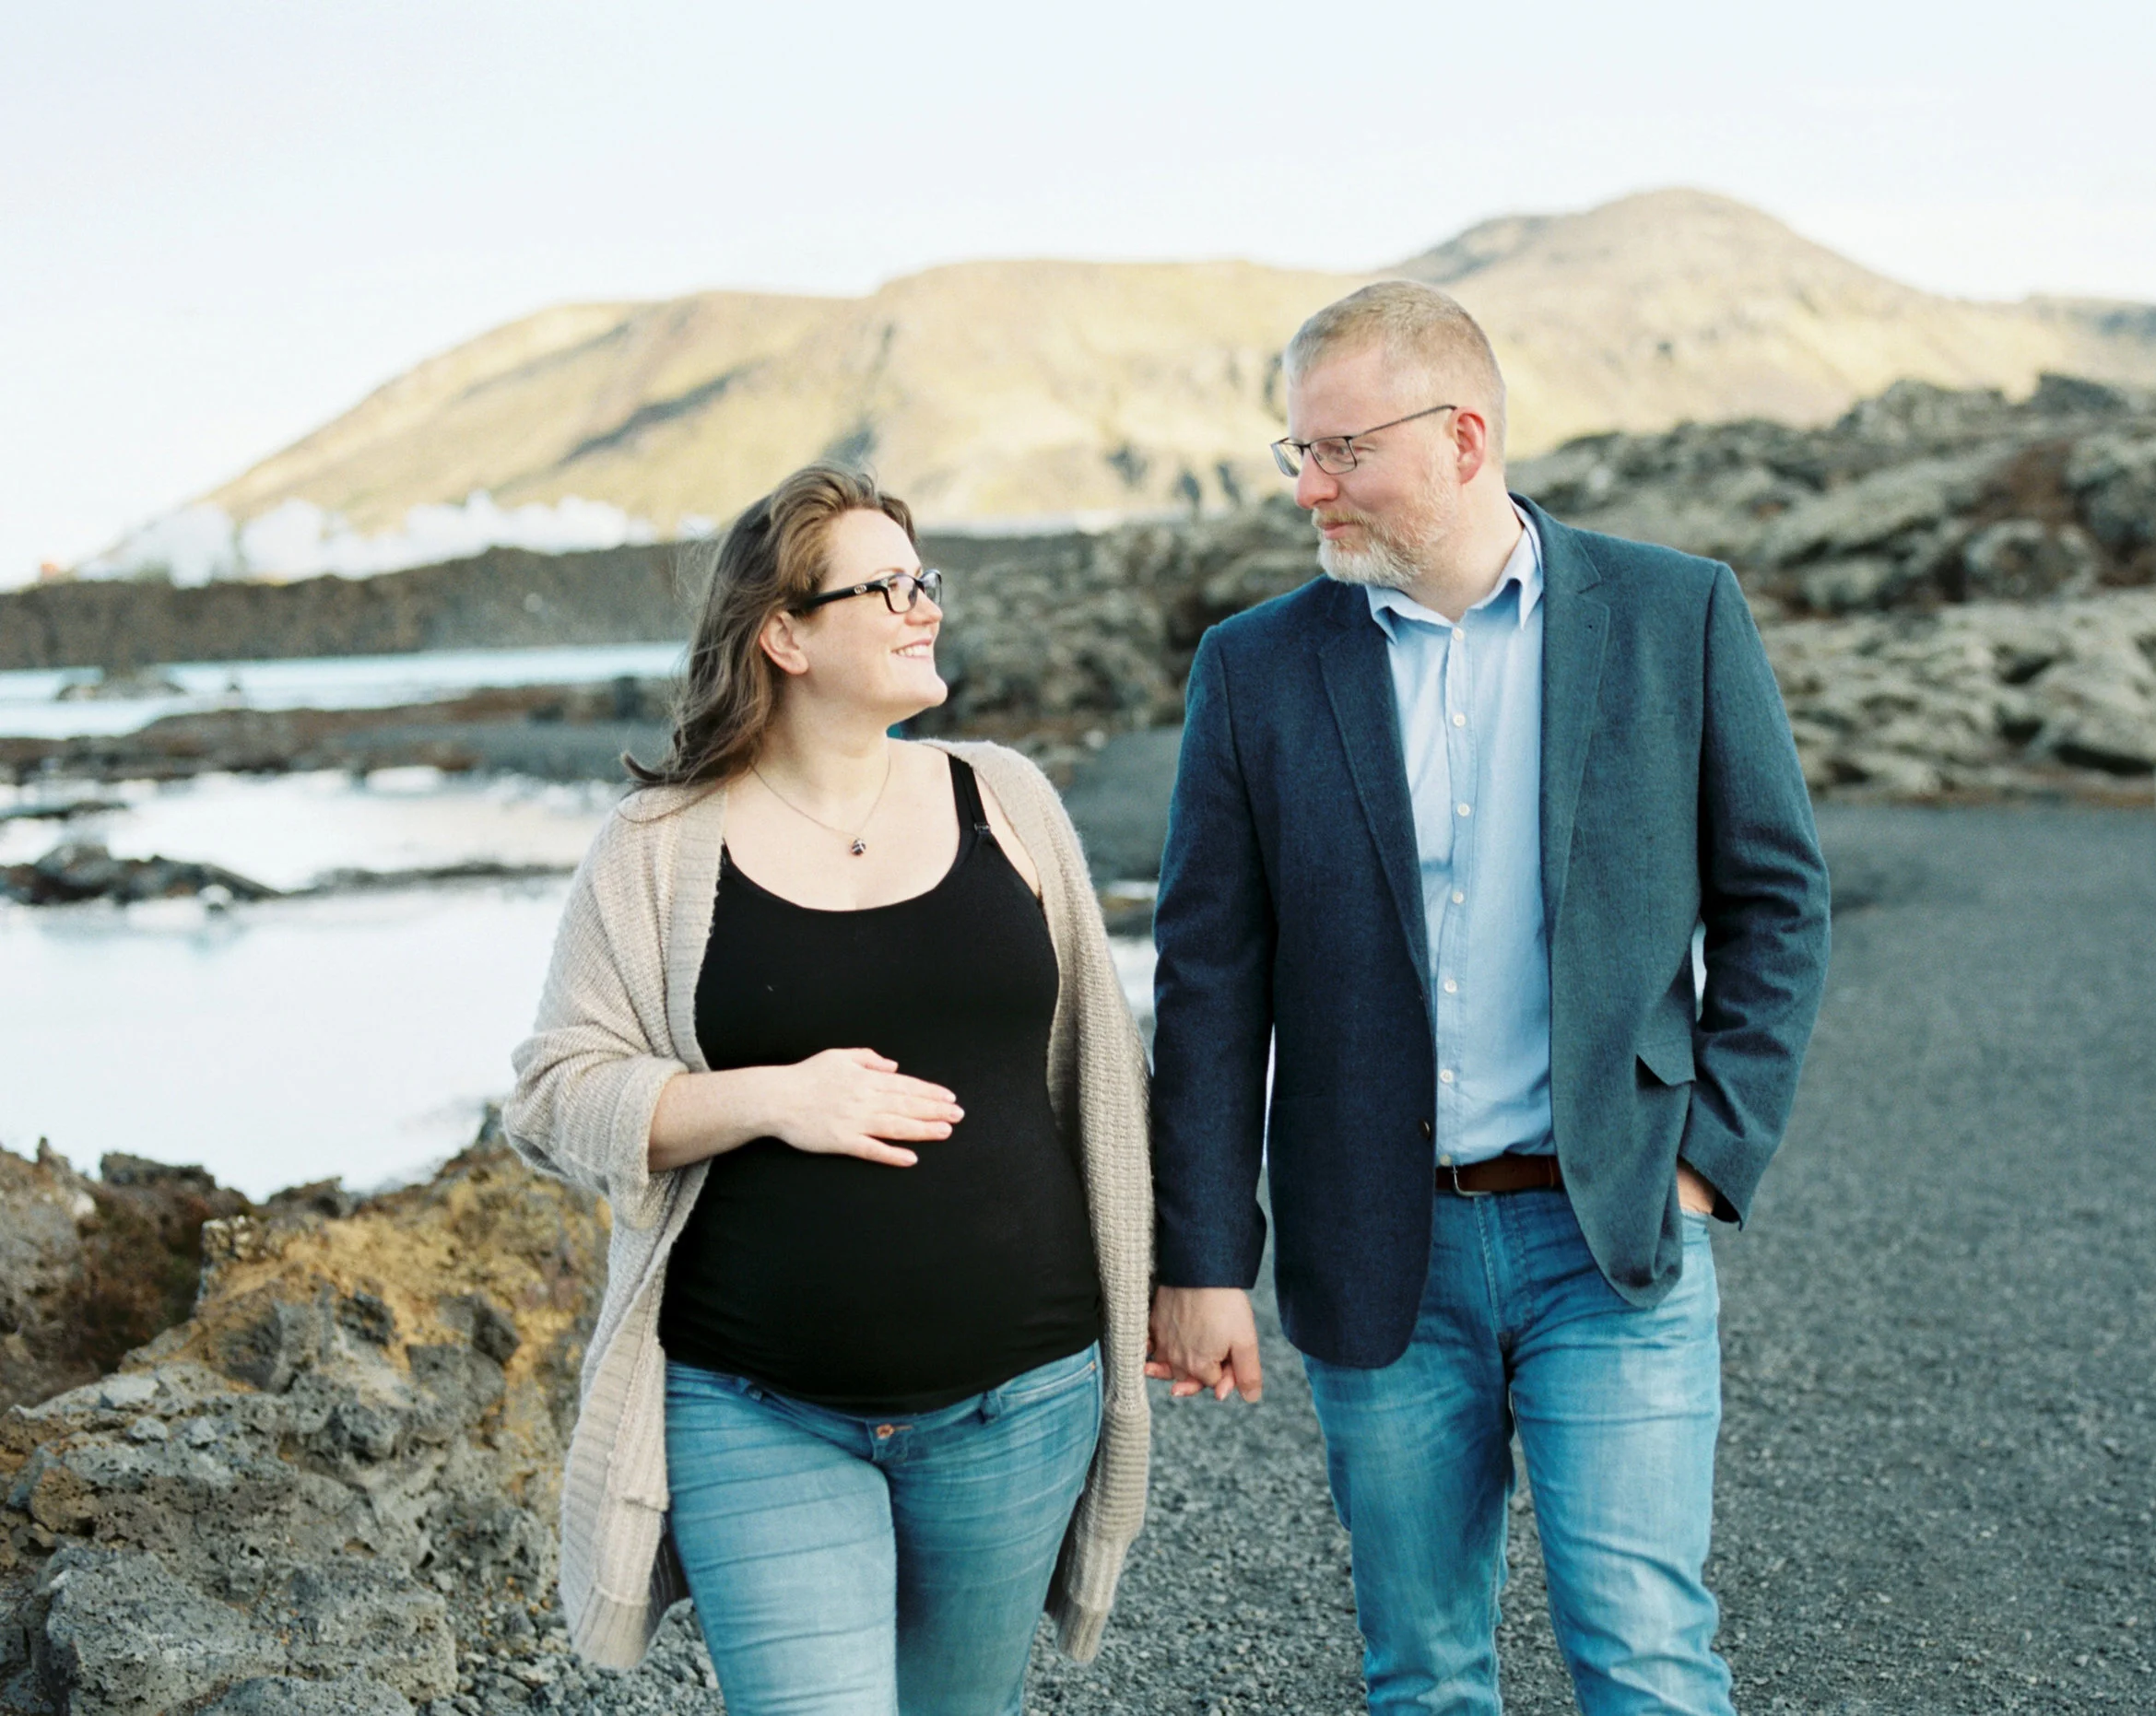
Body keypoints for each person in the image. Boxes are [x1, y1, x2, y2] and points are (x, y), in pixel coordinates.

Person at [1145, 282, 1831, 1716]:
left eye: (1340, 451)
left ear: (1463, 436)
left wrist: (1707, 1159)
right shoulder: (1255, 667)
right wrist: (1203, 1255)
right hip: (1379, 1250)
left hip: (1615, 1233)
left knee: (1645, 1652)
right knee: (1425, 1671)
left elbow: (1777, 900)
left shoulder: (1675, 612)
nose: (1308, 489)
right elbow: (1211, 984)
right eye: (1298, 454)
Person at [504, 464, 1151, 1716]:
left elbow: (1104, 1077)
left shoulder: (1006, 799)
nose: (927, 609)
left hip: (1021, 1401)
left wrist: (1185, 1282)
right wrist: (766, 1097)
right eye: (889, 586)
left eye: (927, 582)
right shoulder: (656, 846)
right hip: (758, 1408)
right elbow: (552, 1093)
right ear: (784, 632)